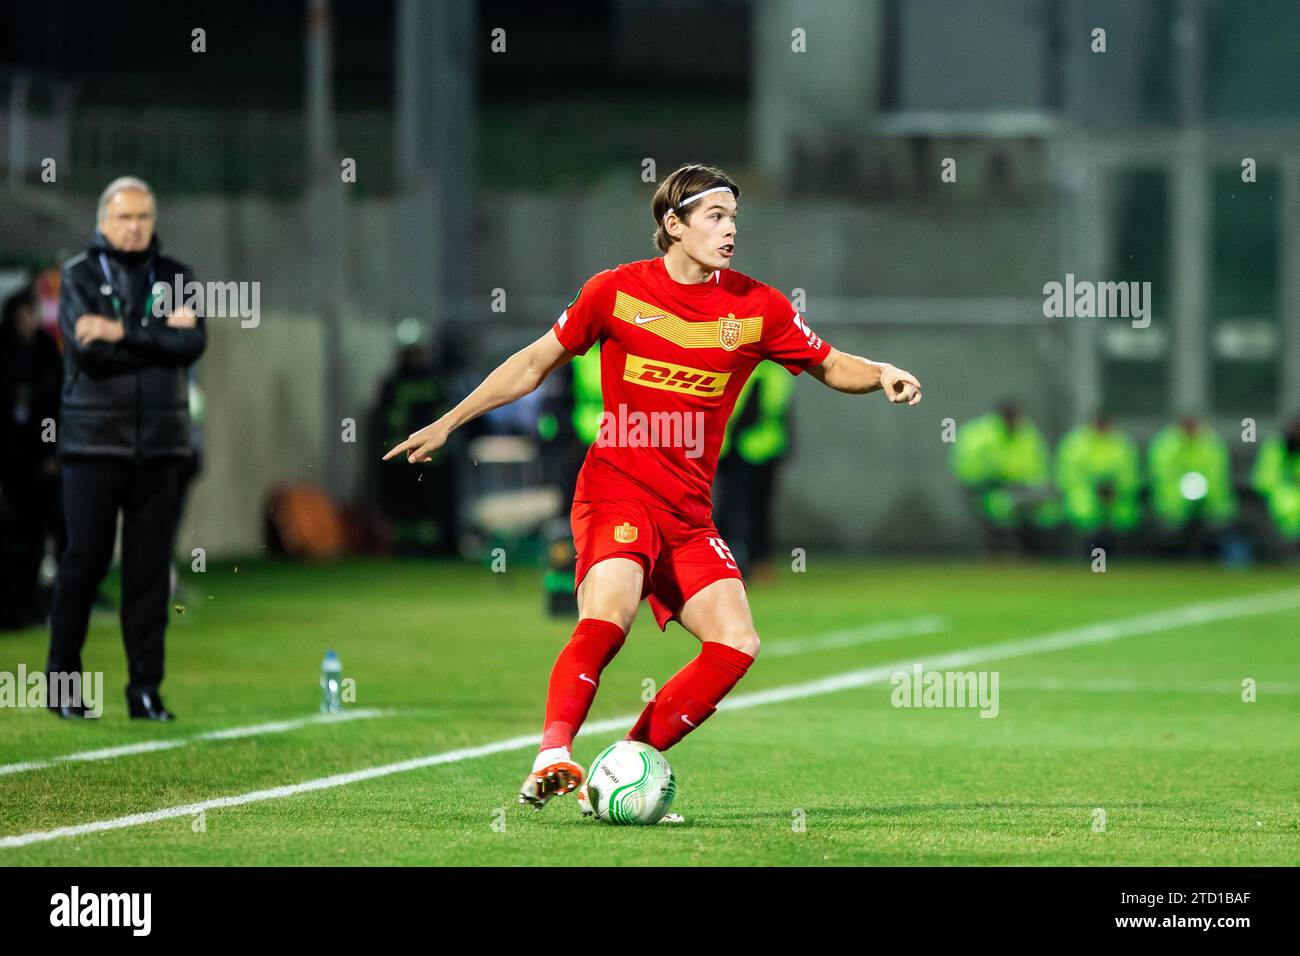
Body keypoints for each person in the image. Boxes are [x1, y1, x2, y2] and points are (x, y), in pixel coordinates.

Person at [384, 164, 922, 814]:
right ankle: (554, 750)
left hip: (689, 513)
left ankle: (621, 766)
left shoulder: (757, 308)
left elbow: (830, 364)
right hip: (617, 492)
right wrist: (448, 421)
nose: (730, 230)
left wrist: (882, 371)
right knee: (609, 614)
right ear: (674, 224)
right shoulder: (614, 292)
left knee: (736, 643)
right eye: (715, 216)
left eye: (734, 218)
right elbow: (532, 363)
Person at [45, 176, 206, 720]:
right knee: (83, 562)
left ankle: (144, 691)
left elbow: (193, 344)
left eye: (143, 216)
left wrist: (120, 333)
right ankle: (62, 689)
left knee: (147, 573)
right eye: (124, 217)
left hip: (160, 447)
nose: (134, 227)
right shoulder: (78, 276)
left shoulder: (176, 276)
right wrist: (156, 337)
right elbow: (90, 356)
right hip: (94, 444)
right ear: (102, 222)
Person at [0, 285, 63, 629]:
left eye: (31, 313)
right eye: (21, 314)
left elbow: (53, 411)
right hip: (10, 461)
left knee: (39, 535)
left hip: (40, 462)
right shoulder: (5, 353)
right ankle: (13, 608)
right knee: (13, 537)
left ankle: (32, 606)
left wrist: (52, 450)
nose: (26, 321)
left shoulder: (46, 354)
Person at [715, 359, 796, 579]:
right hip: (748, 449)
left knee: (742, 509)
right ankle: (744, 561)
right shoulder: (775, 370)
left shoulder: (753, 367)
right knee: (745, 510)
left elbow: (749, 409)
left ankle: (745, 561)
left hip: (747, 448)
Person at [951, 400, 1058, 551]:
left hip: (1022, 490)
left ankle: (1031, 553)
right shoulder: (979, 435)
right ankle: (999, 551)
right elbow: (967, 468)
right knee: (1000, 506)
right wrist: (994, 481)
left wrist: (1027, 484)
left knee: (1044, 508)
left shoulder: (1028, 435)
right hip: (990, 490)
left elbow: (1040, 467)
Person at [1147, 416, 1236, 552]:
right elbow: (1162, 472)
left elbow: (1218, 472)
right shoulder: (1168, 444)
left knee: (1216, 522)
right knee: (1170, 524)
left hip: (1209, 499)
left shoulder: (1210, 442)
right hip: (1174, 502)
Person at [1055, 413, 1142, 543]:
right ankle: (1092, 551)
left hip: (1117, 494)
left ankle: (1110, 553)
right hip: (1085, 494)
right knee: (1083, 509)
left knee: (1125, 514)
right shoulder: (1075, 445)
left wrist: (1115, 489)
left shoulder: (1122, 444)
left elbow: (1130, 475)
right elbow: (1068, 476)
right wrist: (1095, 488)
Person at [1249, 414, 1300, 546]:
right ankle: (1289, 543)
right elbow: (1265, 478)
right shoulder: (1276, 447)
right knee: (1287, 505)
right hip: (1278, 493)